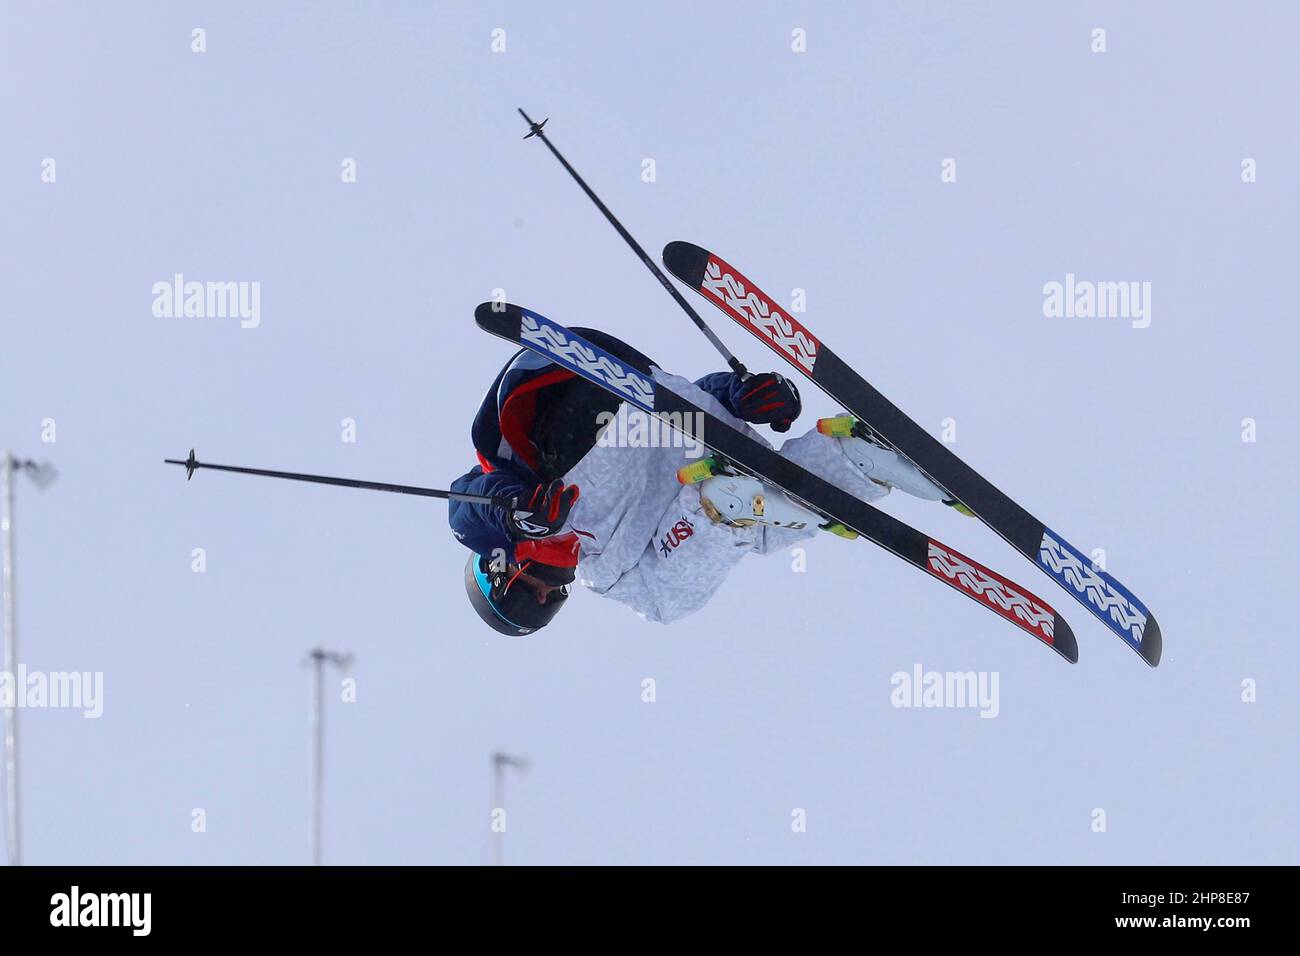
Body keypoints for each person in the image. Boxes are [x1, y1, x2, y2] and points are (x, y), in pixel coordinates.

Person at [450, 329, 946, 633]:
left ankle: (724, 509)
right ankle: (856, 457)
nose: (544, 595)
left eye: (522, 597)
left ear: (498, 568)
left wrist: (515, 510)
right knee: (772, 518)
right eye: (547, 609)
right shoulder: (593, 554)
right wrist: (743, 397)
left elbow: (464, 506)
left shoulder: (517, 520)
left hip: (580, 444)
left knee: (654, 600)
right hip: (666, 424)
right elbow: (693, 402)